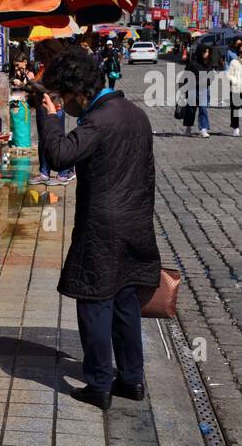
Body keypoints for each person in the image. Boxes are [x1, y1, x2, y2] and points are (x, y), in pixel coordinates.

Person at [33, 48, 162, 409]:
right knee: (125, 301)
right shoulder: (135, 114)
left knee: (94, 301)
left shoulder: (98, 121)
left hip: (102, 226)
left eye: (64, 97)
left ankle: (99, 384)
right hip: (136, 221)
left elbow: (60, 157)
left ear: (78, 92)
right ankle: (132, 379)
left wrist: (52, 119)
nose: (64, 104)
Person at [29, 39, 74, 186]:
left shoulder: (54, 69)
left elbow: (50, 89)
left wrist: (32, 82)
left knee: (56, 138)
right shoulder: (46, 67)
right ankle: (44, 172)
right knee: (44, 139)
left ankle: (63, 173)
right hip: (43, 107)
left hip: (53, 107)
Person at [181, 41, 208, 136]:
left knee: (203, 109)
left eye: (207, 52)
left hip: (204, 90)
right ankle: (188, 128)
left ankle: (203, 129)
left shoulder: (208, 64)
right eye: (205, 52)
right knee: (191, 110)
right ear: (200, 52)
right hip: (192, 90)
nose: (207, 54)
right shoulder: (192, 64)